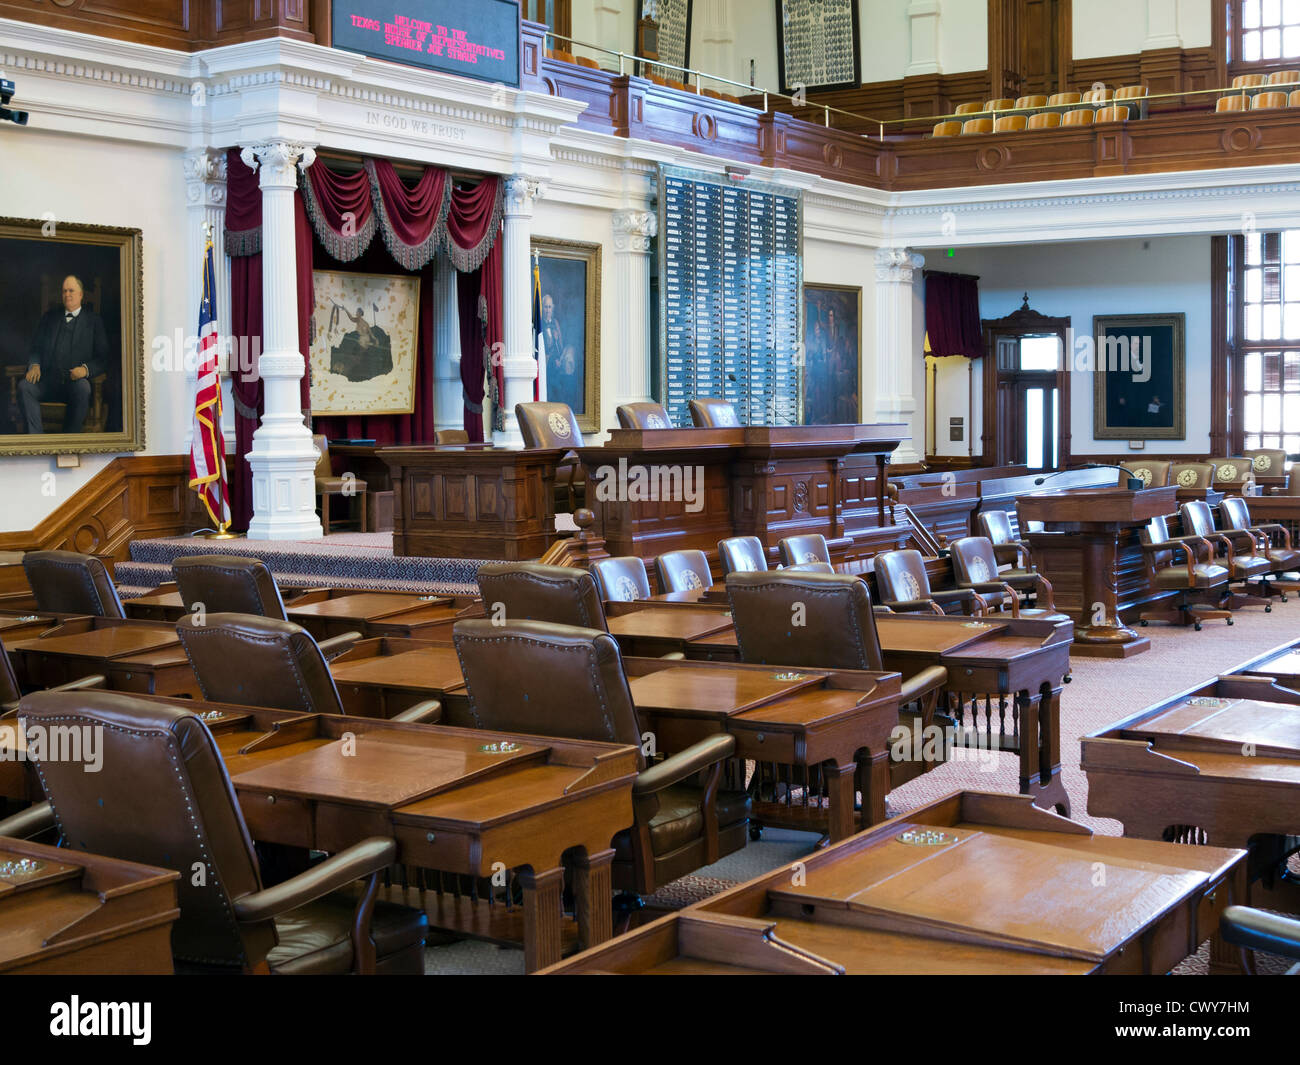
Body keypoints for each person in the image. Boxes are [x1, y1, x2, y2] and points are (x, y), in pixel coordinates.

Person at [20, 275, 110, 433]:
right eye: (64, 291)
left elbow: (103, 358)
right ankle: (36, 440)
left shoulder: (94, 321)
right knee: (25, 387)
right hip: (47, 381)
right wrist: (35, 365)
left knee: (84, 387)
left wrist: (85, 370)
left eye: (71, 291)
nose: (67, 294)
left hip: (72, 384)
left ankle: (68, 439)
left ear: (81, 295)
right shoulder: (49, 318)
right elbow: (36, 347)